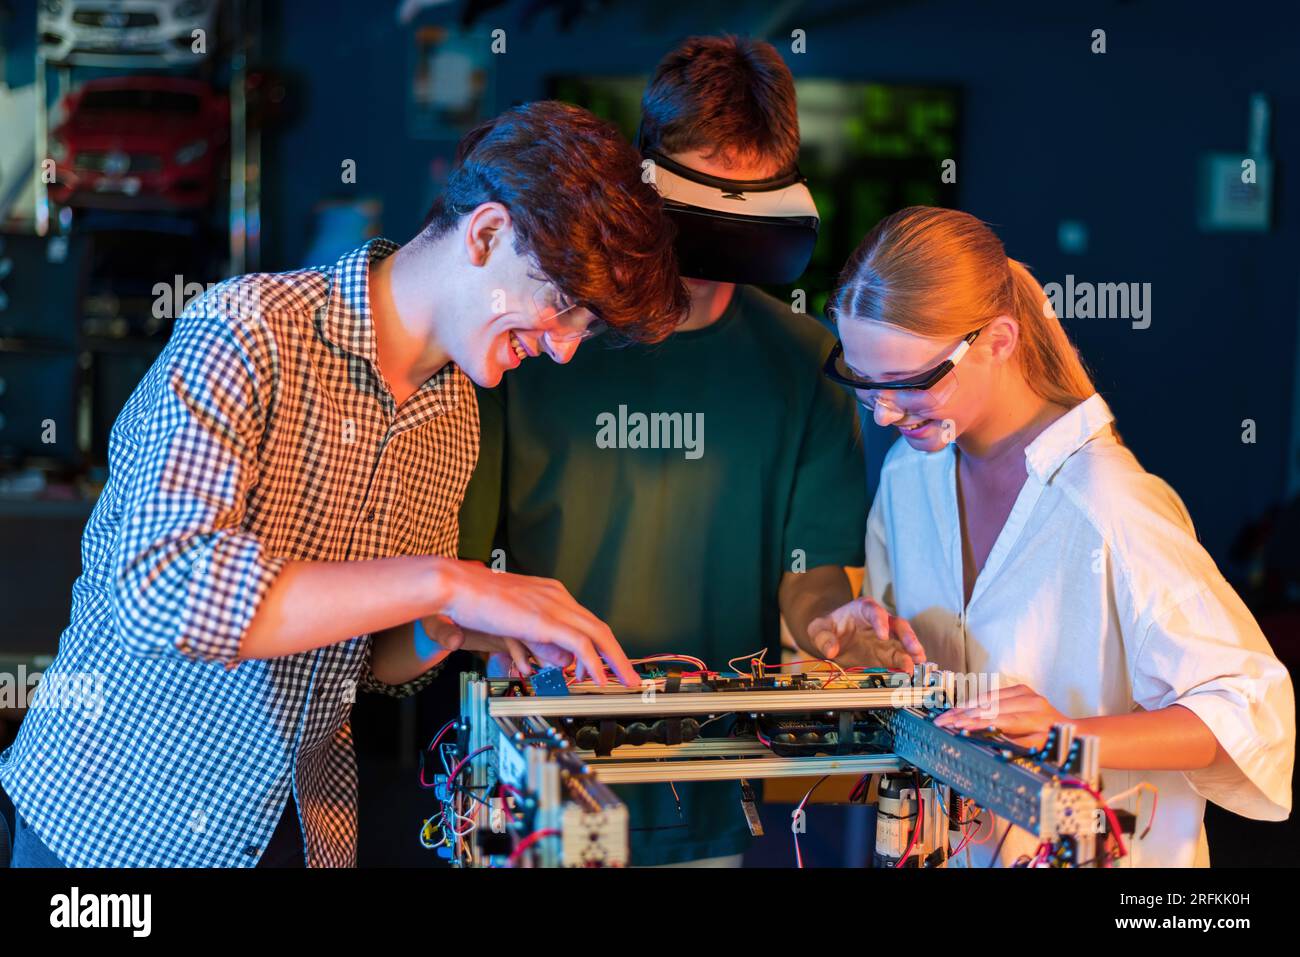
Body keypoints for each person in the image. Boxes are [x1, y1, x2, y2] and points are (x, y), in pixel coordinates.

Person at [0, 101, 688, 868]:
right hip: (119, 832)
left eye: (583, 328)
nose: (562, 350)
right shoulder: (247, 329)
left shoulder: (454, 411)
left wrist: (460, 624)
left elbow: (372, 662)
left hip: (300, 831)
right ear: (487, 233)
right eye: (562, 306)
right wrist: (449, 582)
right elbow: (164, 588)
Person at [459, 36, 868, 866]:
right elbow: (457, 580)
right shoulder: (529, 343)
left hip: (705, 787)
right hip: (531, 777)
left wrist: (842, 630)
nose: (715, 263)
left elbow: (812, 581)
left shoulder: (805, 365)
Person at [805, 205, 1295, 866]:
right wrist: (870, 645)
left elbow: (1251, 710)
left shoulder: (1107, 503)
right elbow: (916, 675)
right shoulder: (909, 475)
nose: (886, 413)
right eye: (864, 385)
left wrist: (1067, 734)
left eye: (909, 383)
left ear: (999, 339)